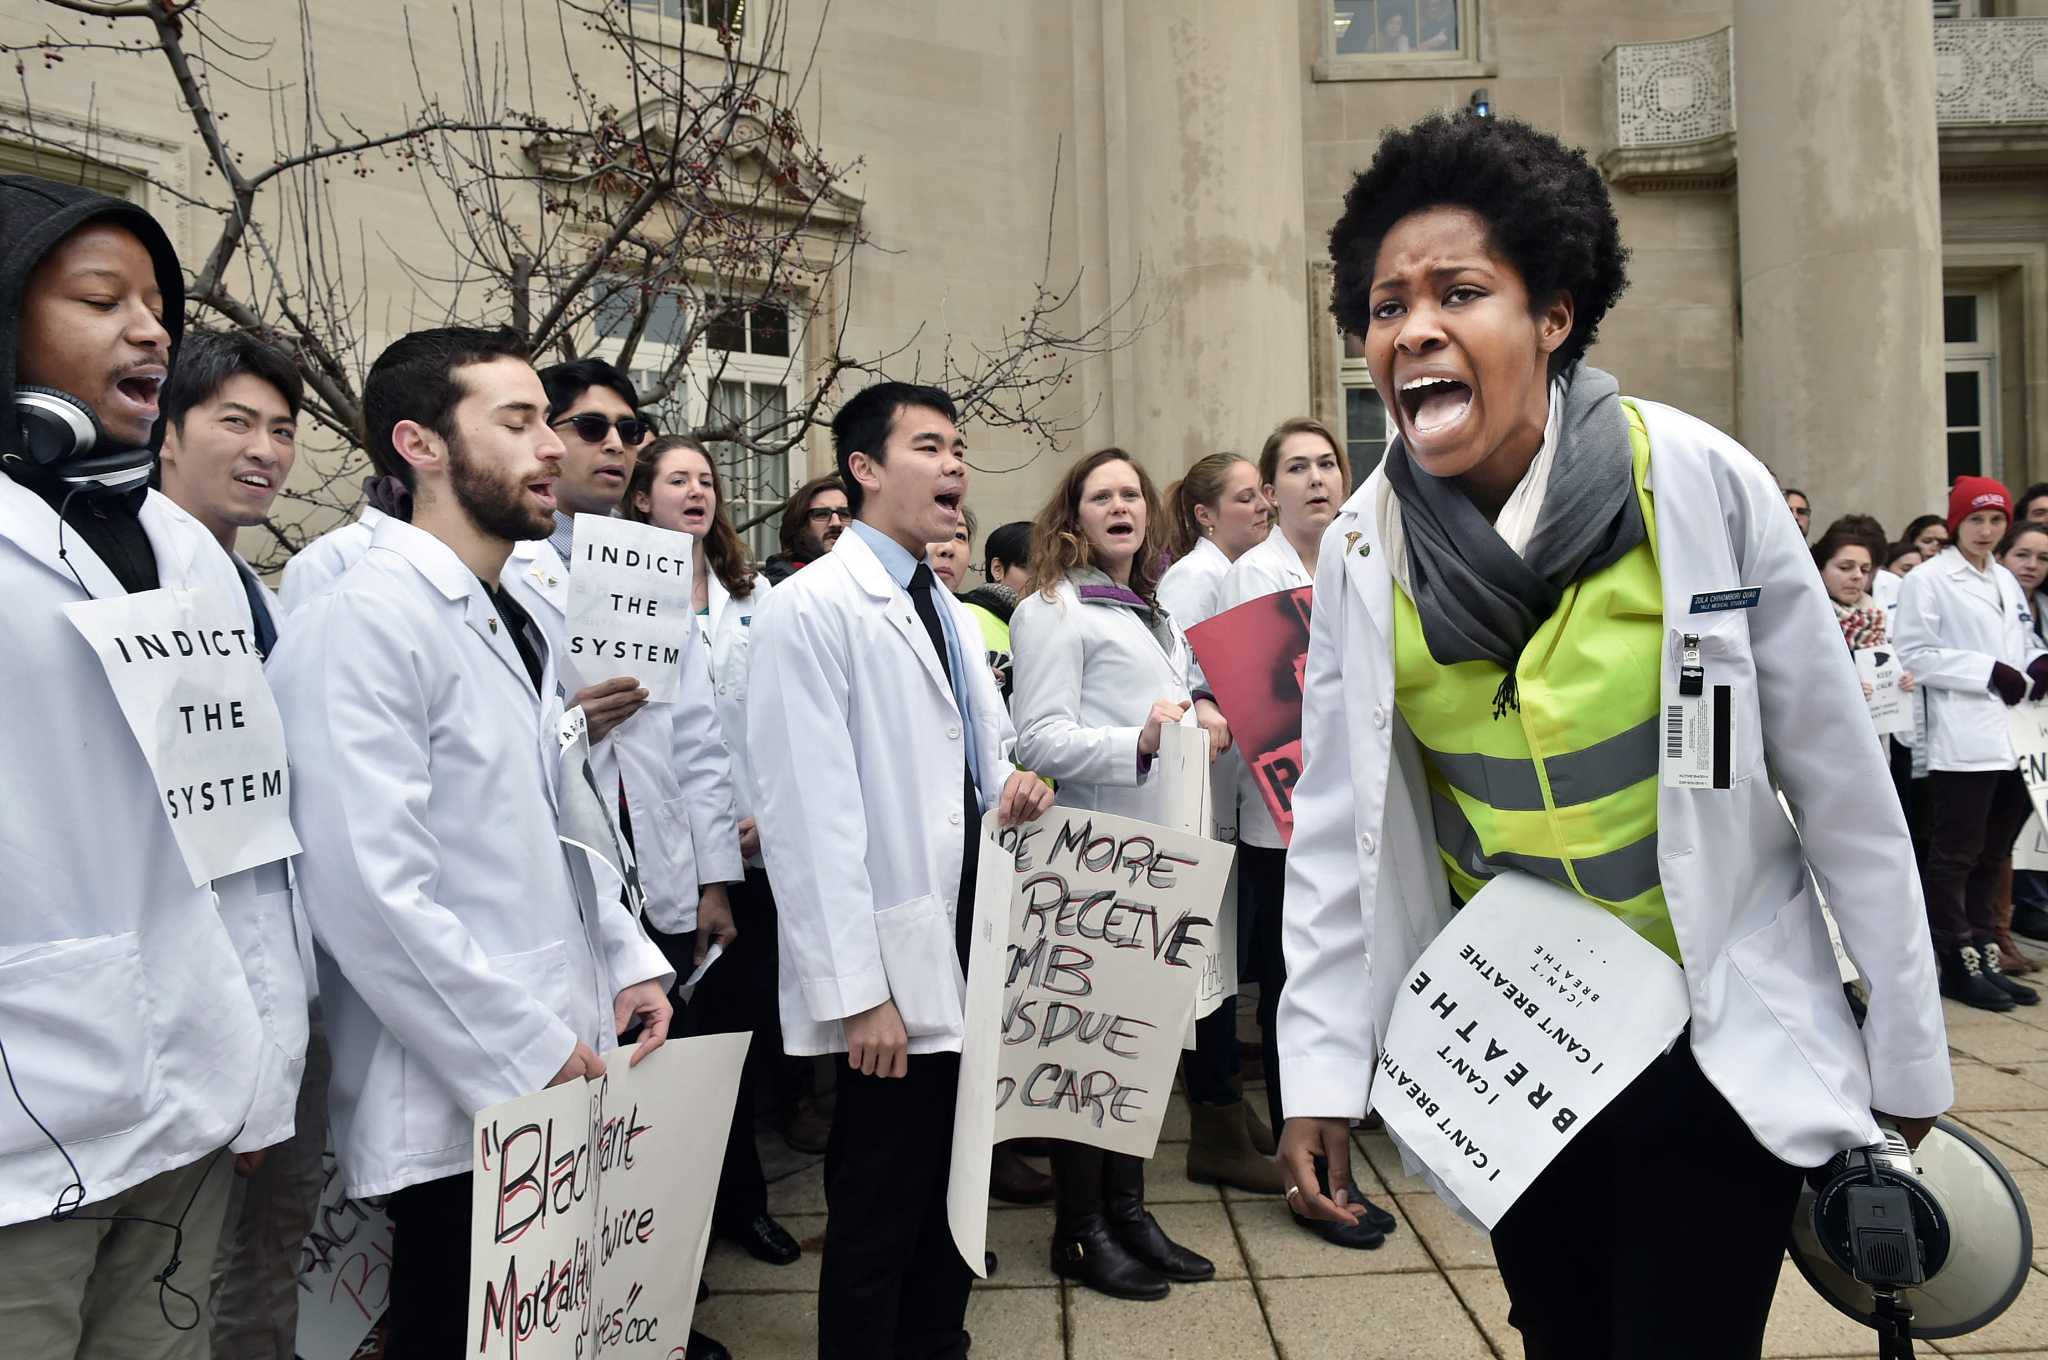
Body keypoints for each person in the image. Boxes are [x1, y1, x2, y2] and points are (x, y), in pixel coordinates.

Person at [1277, 114, 1950, 1359]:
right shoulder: (1364, 547)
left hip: (1712, 1040)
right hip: (1520, 1050)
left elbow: (1839, 782)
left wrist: (1905, 1041)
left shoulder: (1699, 482)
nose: (1410, 328)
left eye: (1458, 292)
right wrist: (1317, 1071)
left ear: (1552, 316)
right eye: (1383, 306)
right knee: (1561, 1334)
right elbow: (1338, 827)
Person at [268, 327, 676, 1358]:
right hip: (462, 1096)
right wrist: (528, 1054)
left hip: (546, 1064)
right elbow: (368, 892)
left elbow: (557, 819)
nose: (553, 446)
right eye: (520, 420)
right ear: (419, 443)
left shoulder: (502, 612)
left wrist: (626, 961)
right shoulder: (365, 617)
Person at [0, 175, 307, 1360]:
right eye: (99, 298)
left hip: (185, 1101)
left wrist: (262, 1064)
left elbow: (239, 830)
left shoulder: (181, 547)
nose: (149, 328)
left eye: (156, 304)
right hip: (22, 1142)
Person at [747, 381, 1053, 1360]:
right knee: (879, 1198)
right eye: (929, 445)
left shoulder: (953, 614)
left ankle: (936, 1342)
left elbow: (979, 758)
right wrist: (858, 992)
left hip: (970, 929)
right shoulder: (811, 608)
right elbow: (809, 819)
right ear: (866, 469)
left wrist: (1012, 785)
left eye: (959, 446)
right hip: (890, 962)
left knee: (953, 1181)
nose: (955, 465)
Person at [502, 364, 767, 1316]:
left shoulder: (649, 563)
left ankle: (659, 1303)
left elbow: (695, 738)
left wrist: (711, 882)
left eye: (629, 429)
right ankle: (588, 1309)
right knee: (580, 1120)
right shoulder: (508, 563)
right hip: (560, 883)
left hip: (654, 878)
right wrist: (570, 723)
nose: (614, 446)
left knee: (662, 1105)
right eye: (589, 427)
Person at [1010, 447, 1224, 1300]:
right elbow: (1039, 740)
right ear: (1075, 514)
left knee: (1139, 1048)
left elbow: (1180, 698)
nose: (1121, 506)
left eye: (1131, 493)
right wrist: (1135, 740)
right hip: (1095, 868)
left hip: (1158, 860)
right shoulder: (1054, 609)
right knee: (1087, 1055)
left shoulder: (1153, 610)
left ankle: (1130, 1213)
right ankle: (1080, 1228)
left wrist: (1201, 712)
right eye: (1102, 496)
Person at [153, 328, 327, 1358]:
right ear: (165, 429)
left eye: (281, 429)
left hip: (285, 992)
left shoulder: (254, 590)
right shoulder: (146, 588)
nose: (265, 449)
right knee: (194, 1280)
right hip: (206, 1008)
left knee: (267, 1259)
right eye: (235, 422)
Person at [1216, 418, 1393, 1251]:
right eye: (1297, 467)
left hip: (1373, 813)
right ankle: (1314, 1180)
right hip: (1284, 825)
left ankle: (1349, 1151)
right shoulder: (1251, 574)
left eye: (1328, 464)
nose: (1317, 479)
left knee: (1366, 972)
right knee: (1300, 988)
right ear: (1271, 490)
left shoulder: (1371, 555)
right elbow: (1240, 699)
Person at [1155, 452, 1275, 1194]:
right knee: (1209, 970)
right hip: (1206, 800)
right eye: (1245, 497)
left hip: (1231, 797)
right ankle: (1218, 1121)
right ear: (1205, 514)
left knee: (1223, 965)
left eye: (1264, 494)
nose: (1262, 505)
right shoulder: (1196, 581)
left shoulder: (1229, 573)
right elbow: (1198, 683)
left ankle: (1228, 1112)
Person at [1896, 478, 2047, 1012]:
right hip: (1962, 735)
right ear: (1957, 521)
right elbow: (1913, 653)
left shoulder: (2005, 579)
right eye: (1976, 520)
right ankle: (1955, 959)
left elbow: (2020, 638)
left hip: (2012, 735)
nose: (1986, 531)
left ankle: (1986, 950)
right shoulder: (1932, 580)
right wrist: (1987, 670)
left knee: (1995, 851)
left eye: (1996, 521)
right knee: (1955, 853)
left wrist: (2034, 662)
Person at [1995, 521, 2048, 966]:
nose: (2031, 565)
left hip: (2033, 737)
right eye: (2023, 555)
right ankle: (1987, 935)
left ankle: (1999, 934)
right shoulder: (1996, 593)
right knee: (1983, 842)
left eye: (2042, 558)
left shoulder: (2039, 605)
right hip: (1991, 732)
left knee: (2015, 832)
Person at [958, 517, 1030, 698]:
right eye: (1031, 567)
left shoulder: (1053, 625)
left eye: (1051, 570)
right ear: (997, 569)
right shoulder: (963, 616)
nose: (1043, 579)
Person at [761, 471, 848, 583]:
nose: (836, 523)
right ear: (800, 526)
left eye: (844, 514)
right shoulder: (782, 588)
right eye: (821, 514)